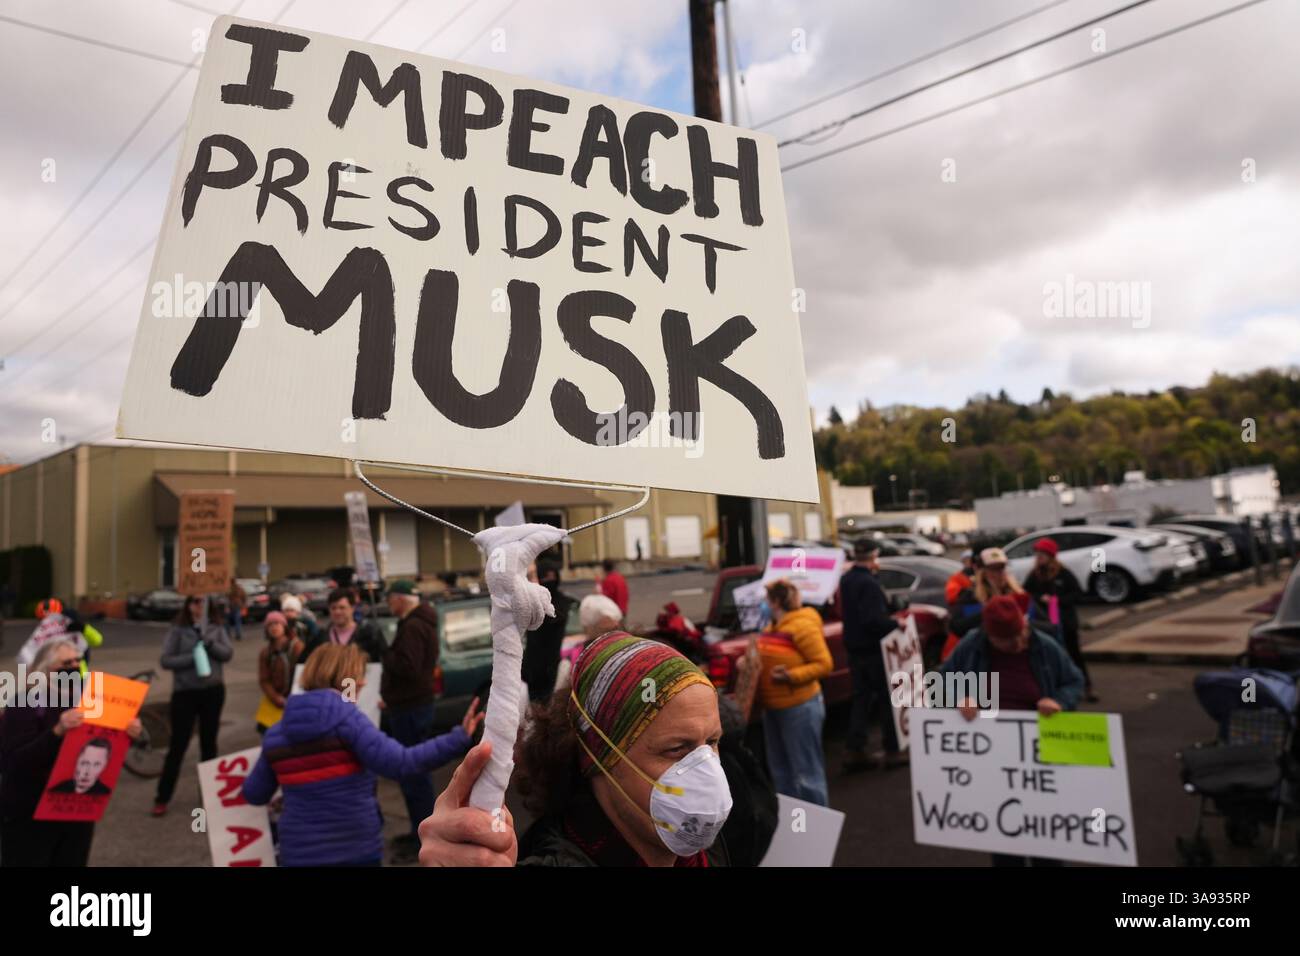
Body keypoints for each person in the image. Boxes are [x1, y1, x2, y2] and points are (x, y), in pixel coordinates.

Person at [418, 631, 736, 867]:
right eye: (677, 749)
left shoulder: (706, 848)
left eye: (711, 743)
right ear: (598, 755)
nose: (707, 773)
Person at [243, 644, 481, 867]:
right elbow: (402, 763)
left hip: (298, 853)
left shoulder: (275, 734)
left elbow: (254, 793)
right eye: (358, 675)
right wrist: (458, 738)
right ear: (342, 678)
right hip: (355, 849)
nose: (363, 682)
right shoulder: (349, 721)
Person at [940, 594, 1085, 867]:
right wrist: (960, 697)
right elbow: (939, 682)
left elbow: (1074, 681)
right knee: (1005, 837)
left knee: (1048, 836)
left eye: (1021, 634)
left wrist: (1059, 701)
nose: (1019, 644)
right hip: (993, 758)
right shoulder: (971, 646)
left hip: (1042, 758)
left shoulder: (1044, 645)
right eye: (1008, 641)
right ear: (990, 637)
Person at [0, 638, 141, 866]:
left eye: (77, 661)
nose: (74, 667)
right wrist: (57, 731)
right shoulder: (24, 704)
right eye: (66, 663)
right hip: (30, 815)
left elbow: (105, 747)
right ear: (44, 669)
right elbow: (13, 763)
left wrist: (128, 734)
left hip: (76, 811)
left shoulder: (87, 700)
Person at [152, 596, 232, 817]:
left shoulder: (216, 628)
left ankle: (209, 797)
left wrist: (210, 645)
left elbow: (227, 654)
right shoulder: (178, 630)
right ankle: (162, 797)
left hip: (212, 691)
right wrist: (193, 657)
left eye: (202, 603)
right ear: (187, 606)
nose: (198, 606)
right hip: (185, 693)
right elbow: (166, 660)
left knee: (209, 744)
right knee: (178, 745)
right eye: (194, 602)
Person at [379, 579, 440, 863]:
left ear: (400, 599)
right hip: (412, 705)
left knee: (413, 773)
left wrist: (384, 652)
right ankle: (420, 829)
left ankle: (424, 835)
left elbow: (408, 667)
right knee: (414, 772)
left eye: (390, 599)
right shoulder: (417, 623)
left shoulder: (413, 627)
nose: (388, 604)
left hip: (411, 709)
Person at [757, 579, 832, 806]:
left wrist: (791, 676)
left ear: (776, 601)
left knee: (806, 774)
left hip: (799, 707)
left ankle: (818, 830)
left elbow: (824, 664)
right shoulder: (772, 626)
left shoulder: (802, 626)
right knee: (782, 772)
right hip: (774, 709)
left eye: (767, 599)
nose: (763, 604)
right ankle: (795, 830)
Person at [839, 539, 906, 773]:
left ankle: (855, 749)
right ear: (874, 555)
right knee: (886, 700)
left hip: (855, 648)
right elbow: (873, 621)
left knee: (861, 700)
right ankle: (892, 749)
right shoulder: (868, 583)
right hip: (872, 650)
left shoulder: (847, 579)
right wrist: (896, 623)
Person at [1024, 538, 1096, 702]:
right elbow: (1026, 593)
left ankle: (1087, 686)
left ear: (1051, 555)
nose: (1039, 556)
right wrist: (1040, 598)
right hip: (1044, 623)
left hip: (1065, 621)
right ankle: (1054, 689)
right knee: (1050, 655)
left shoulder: (1063, 573)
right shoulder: (1034, 575)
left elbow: (1077, 594)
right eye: (1038, 553)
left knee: (1073, 654)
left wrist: (1057, 600)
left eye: (1042, 553)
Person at [521, 562, 573, 704]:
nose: (549, 581)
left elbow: (553, 619)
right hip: (533, 668)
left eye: (551, 576)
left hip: (550, 667)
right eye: (545, 577)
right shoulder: (533, 600)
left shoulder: (560, 602)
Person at [303, 587, 387, 663]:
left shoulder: (369, 635)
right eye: (333, 608)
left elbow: (382, 663)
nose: (337, 612)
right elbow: (304, 663)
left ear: (352, 608)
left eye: (342, 607)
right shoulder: (320, 638)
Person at [256, 611, 305, 734]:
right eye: (270, 625)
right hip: (275, 701)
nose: (274, 627)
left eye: (277, 623)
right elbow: (264, 679)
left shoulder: (297, 646)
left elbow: (303, 674)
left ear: (284, 626)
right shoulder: (265, 652)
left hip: (296, 701)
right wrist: (275, 697)